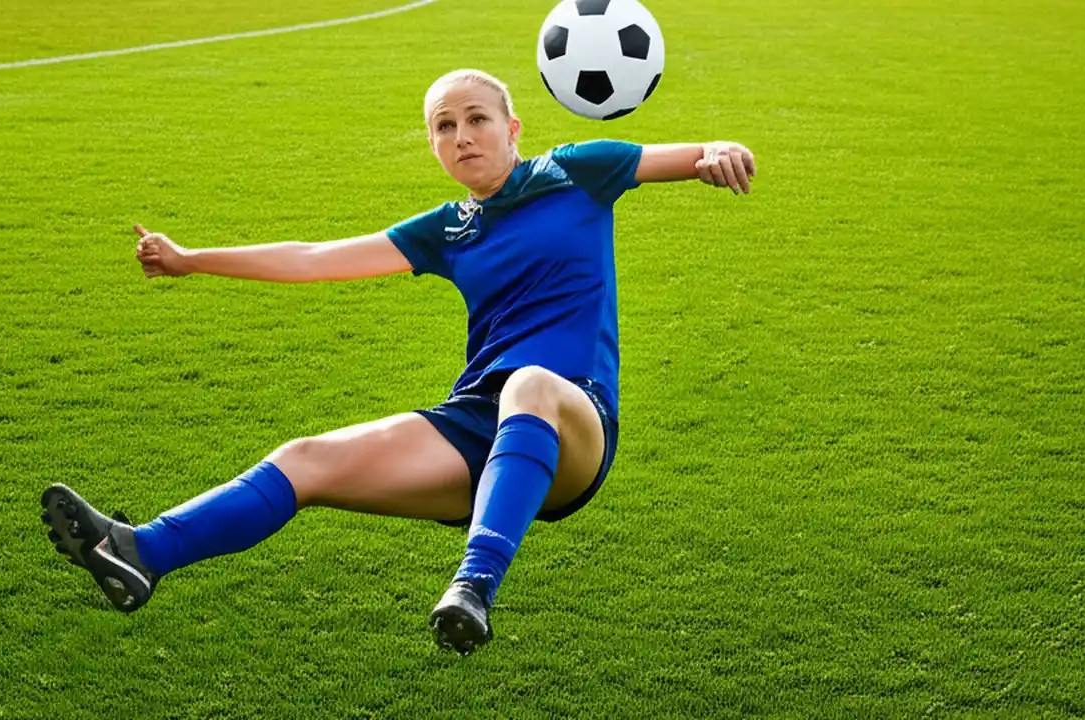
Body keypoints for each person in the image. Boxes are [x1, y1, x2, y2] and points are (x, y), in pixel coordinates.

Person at [40, 68, 756, 655]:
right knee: (307, 458)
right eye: (444, 126)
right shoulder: (448, 229)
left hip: (575, 421)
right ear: (434, 146)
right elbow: (316, 258)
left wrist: (716, 150)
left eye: (476, 118)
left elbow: (687, 156)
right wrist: (192, 260)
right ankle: (141, 553)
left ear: (512, 129)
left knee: (532, 384)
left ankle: (473, 587)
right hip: (479, 421)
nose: (461, 135)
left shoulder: (579, 172)